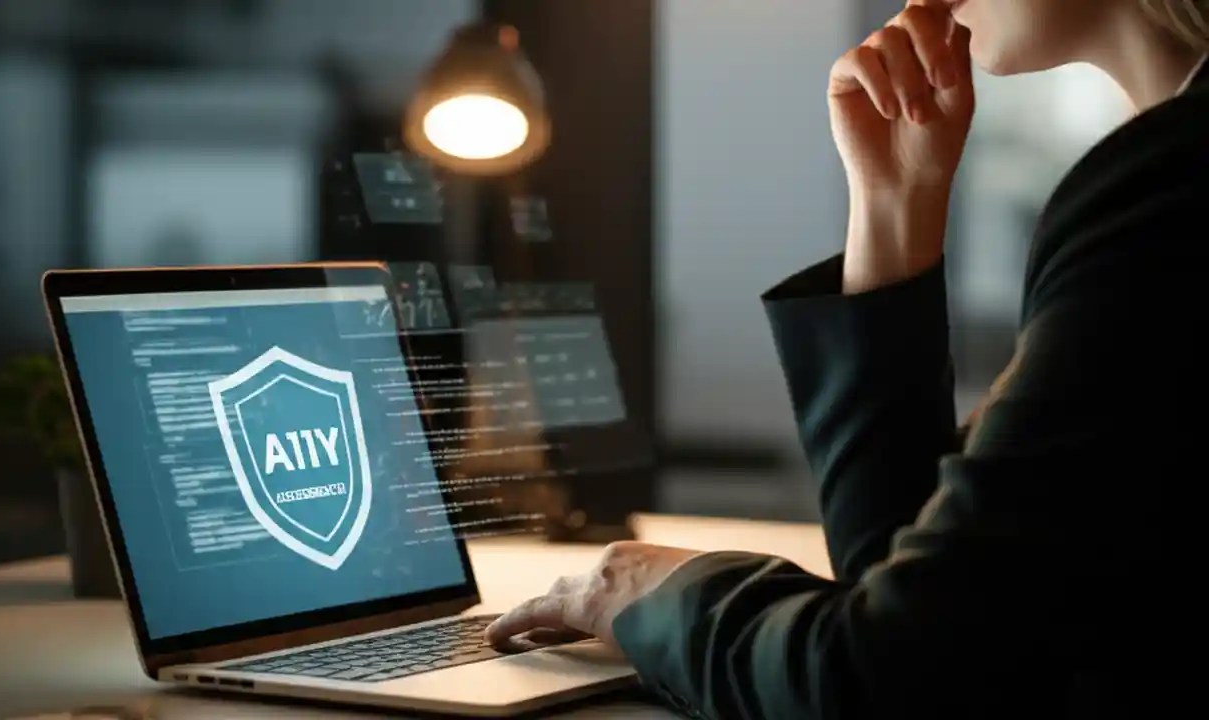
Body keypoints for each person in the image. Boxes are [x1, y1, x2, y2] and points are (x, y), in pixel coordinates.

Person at [485, 0, 1209, 716]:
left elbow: (896, 682)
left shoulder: (1170, 192)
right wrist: (895, 201)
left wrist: (660, 598)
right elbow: (921, 600)